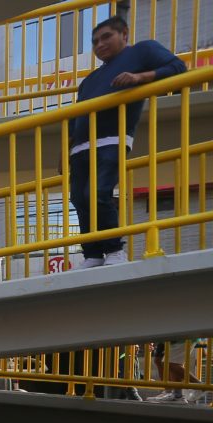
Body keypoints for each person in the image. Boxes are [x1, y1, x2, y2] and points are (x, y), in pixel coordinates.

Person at [68, 15, 186, 269]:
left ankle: (114, 249)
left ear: (124, 34)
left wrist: (140, 78)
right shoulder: (89, 80)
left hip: (112, 138)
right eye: (95, 41)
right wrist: (64, 151)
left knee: (98, 193)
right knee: (79, 198)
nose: (99, 44)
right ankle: (93, 253)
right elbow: (75, 117)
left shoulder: (142, 50)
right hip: (79, 147)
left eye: (106, 37)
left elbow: (178, 67)